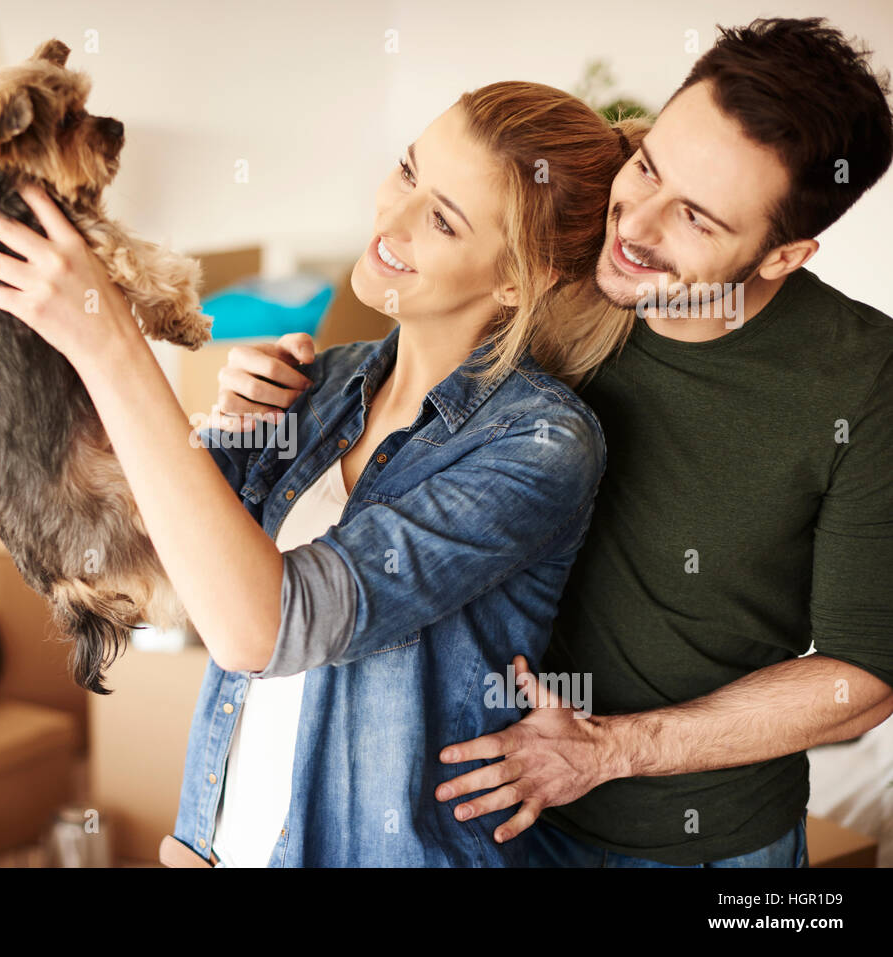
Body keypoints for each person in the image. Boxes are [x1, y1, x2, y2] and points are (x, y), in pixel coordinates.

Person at [219, 17, 893, 868]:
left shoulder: (865, 384)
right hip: (485, 818)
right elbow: (401, 378)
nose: (635, 224)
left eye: (694, 216)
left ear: (784, 254)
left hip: (702, 845)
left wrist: (613, 748)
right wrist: (276, 388)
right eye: (648, 164)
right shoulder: (562, 262)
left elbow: (860, 680)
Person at [0, 80, 642, 865]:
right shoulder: (319, 385)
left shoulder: (540, 444)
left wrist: (111, 343)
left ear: (518, 279)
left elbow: (263, 626)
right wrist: (0, 324)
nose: (392, 222)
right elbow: (156, 568)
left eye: (442, 219)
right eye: (408, 172)